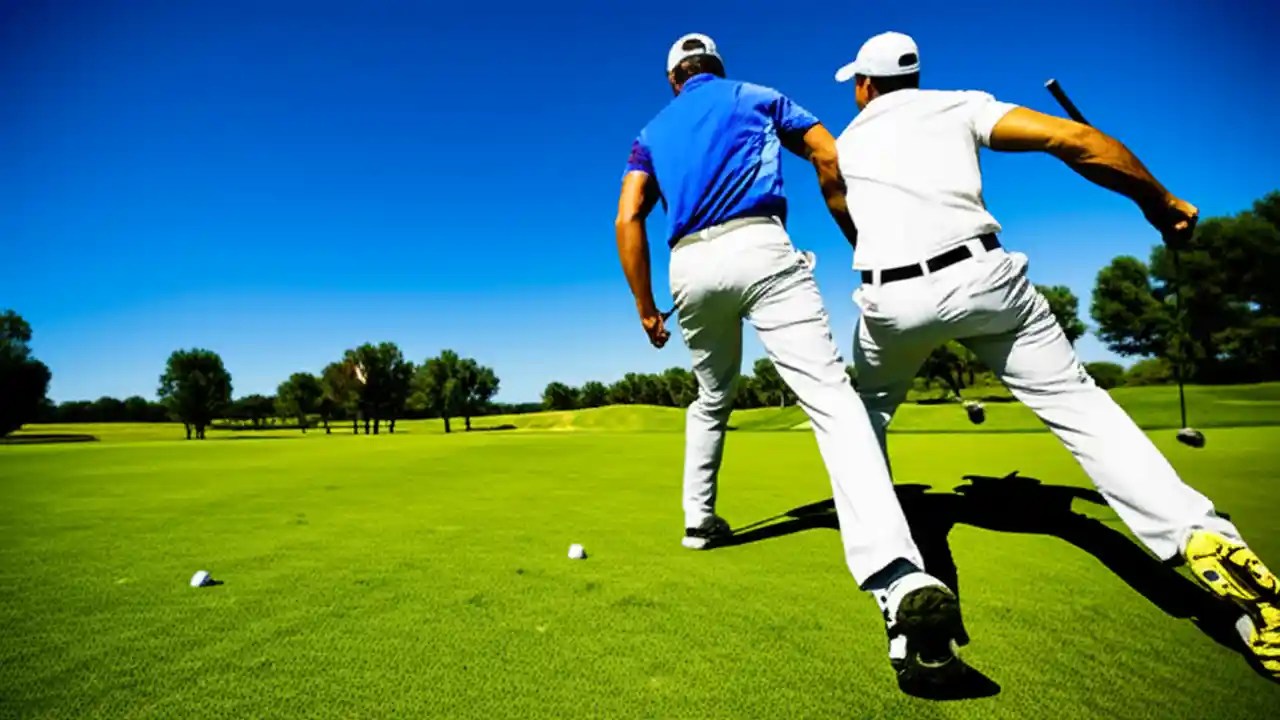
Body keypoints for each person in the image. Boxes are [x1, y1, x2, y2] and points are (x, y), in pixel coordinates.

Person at [831, 30, 1279, 679]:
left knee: (861, 417)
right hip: (985, 278)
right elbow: (1076, 140)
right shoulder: (961, 105)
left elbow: (841, 202)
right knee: (1078, 406)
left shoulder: (846, 142)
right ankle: (1196, 532)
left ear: (864, 84)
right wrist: (1160, 203)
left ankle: (897, 578)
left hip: (890, 297)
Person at [614, 32, 970, 691]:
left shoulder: (650, 132)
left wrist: (645, 308)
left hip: (689, 266)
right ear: (717, 67)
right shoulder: (759, 96)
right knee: (830, 398)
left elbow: (629, 216)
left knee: (711, 396)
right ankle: (896, 576)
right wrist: (857, 231)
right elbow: (827, 151)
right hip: (761, 246)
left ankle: (699, 521)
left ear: (673, 79)